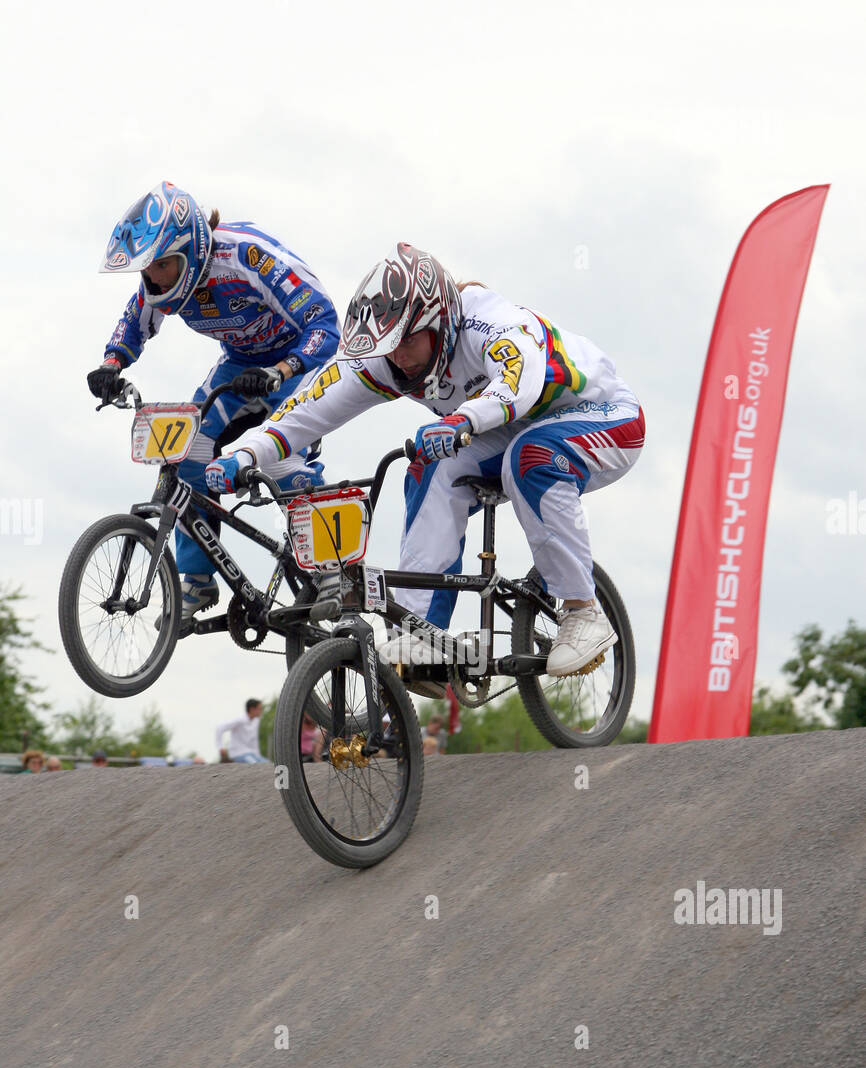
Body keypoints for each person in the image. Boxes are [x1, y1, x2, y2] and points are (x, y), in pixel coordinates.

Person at [211, 242, 645, 679]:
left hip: (602, 414)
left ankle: (582, 608)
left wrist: (464, 419)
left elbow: (520, 381)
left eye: (407, 341)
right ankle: (423, 632)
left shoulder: (487, 321)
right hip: (508, 424)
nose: (397, 357)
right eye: (387, 346)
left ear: (440, 321)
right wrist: (246, 454)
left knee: (530, 457)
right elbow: (307, 408)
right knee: (428, 464)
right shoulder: (386, 357)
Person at [88, 181, 338, 626]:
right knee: (184, 451)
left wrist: (283, 370)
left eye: (163, 265)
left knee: (280, 460)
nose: (155, 278)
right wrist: (111, 364)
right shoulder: (159, 279)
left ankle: (332, 566)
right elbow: (135, 320)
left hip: (299, 362)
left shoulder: (247, 257)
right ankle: (199, 579)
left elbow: (325, 322)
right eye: (148, 270)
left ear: (194, 249)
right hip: (240, 366)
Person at [216, 699, 268, 763]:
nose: (261, 711)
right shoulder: (240, 720)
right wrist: (220, 747)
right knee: (254, 764)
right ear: (252, 709)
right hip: (238, 754)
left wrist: (258, 755)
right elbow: (219, 728)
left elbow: (254, 741)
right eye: (259, 709)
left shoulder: (256, 721)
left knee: (268, 765)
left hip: (252, 754)